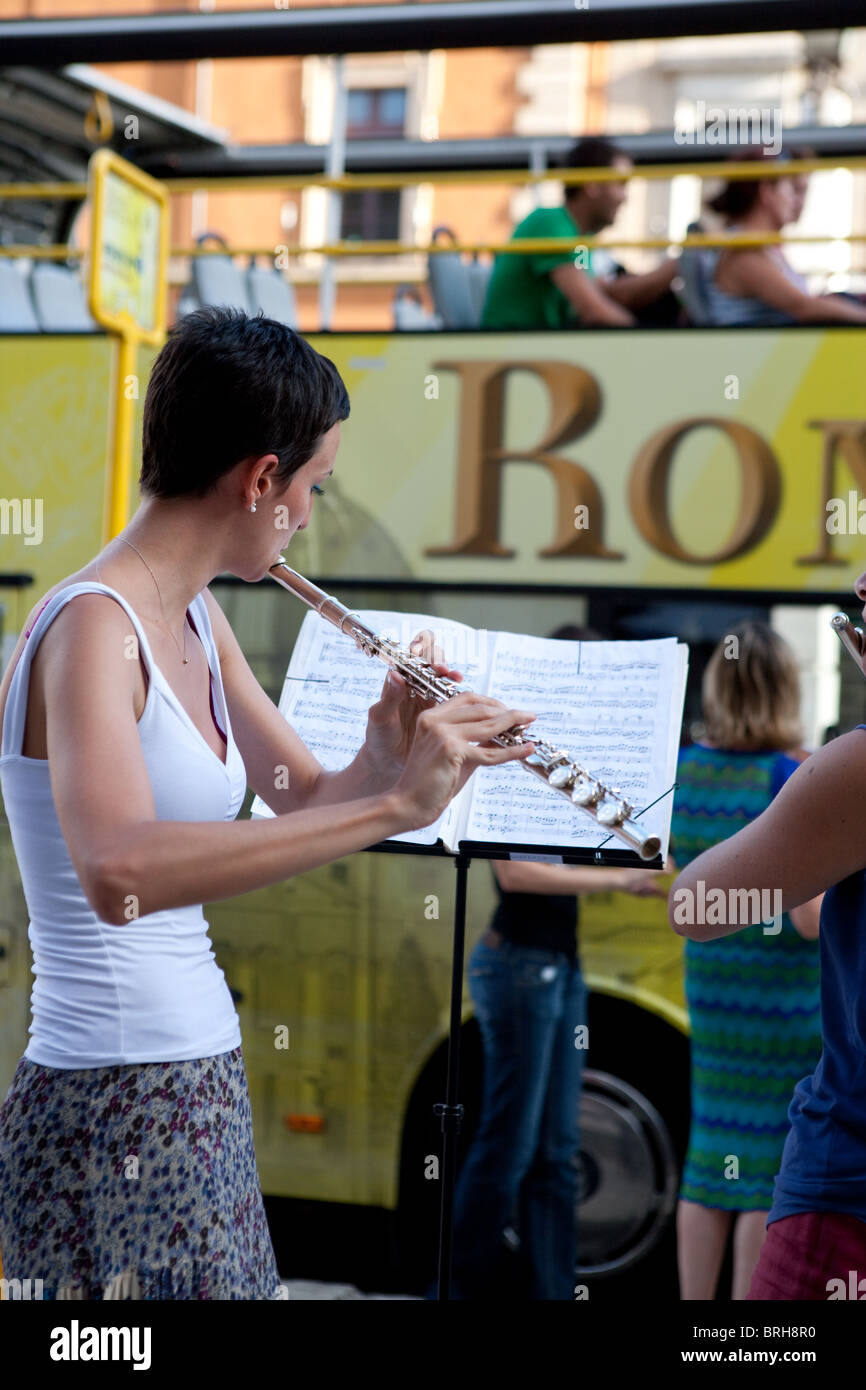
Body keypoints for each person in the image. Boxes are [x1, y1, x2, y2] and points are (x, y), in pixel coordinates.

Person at [0, 307, 539, 1301]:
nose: (307, 515)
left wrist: (385, 751)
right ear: (259, 478)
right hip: (109, 1094)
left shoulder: (197, 613)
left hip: (190, 1071)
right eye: (311, 487)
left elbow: (304, 799)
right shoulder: (92, 628)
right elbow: (119, 874)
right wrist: (392, 810)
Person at [448, 623, 671, 1301]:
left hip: (555, 968)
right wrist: (622, 880)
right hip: (517, 966)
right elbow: (518, 879)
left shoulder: (559, 762)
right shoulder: (506, 759)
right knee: (510, 1150)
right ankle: (460, 1289)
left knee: (555, 1154)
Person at [667, 602, 866, 1299]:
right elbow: (812, 922)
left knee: (708, 1155)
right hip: (781, 1003)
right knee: (758, 1166)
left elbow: (692, 899)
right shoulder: (790, 770)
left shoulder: (685, 770)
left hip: (714, 988)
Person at [480, 137, 679, 330]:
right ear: (591, 185)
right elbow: (592, 309)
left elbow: (599, 292)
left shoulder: (581, 242)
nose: (625, 197)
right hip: (517, 351)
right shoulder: (550, 224)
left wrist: (673, 268)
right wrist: (648, 341)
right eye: (620, 184)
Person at [702, 147, 866, 326]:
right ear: (767, 192)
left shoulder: (761, 249)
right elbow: (804, 307)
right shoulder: (744, 254)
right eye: (790, 188)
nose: (795, 200)